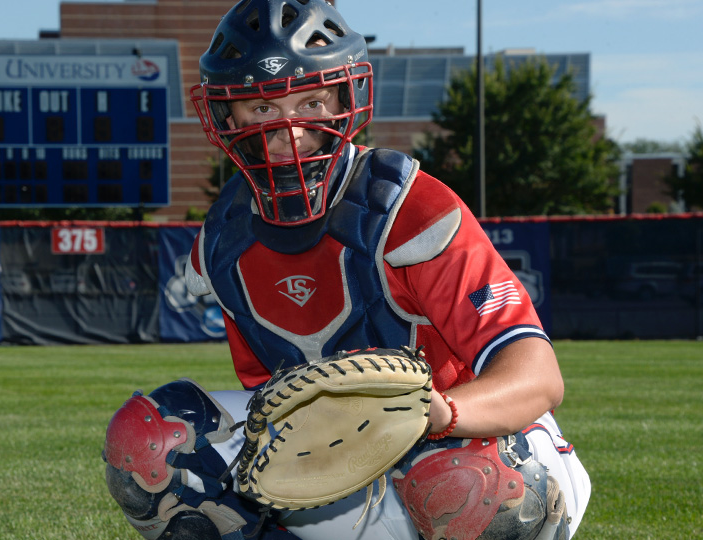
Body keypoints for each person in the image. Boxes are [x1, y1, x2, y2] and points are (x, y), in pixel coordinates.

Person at [102, 1, 591, 539]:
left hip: (472, 442)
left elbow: (538, 378)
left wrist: (438, 413)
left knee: (471, 481)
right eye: (262, 109)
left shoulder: (411, 210)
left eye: (310, 100)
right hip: (336, 461)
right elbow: (274, 395)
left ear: (344, 97)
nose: (289, 130)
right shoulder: (224, 240)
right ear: (227, 114)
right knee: (152, 441)